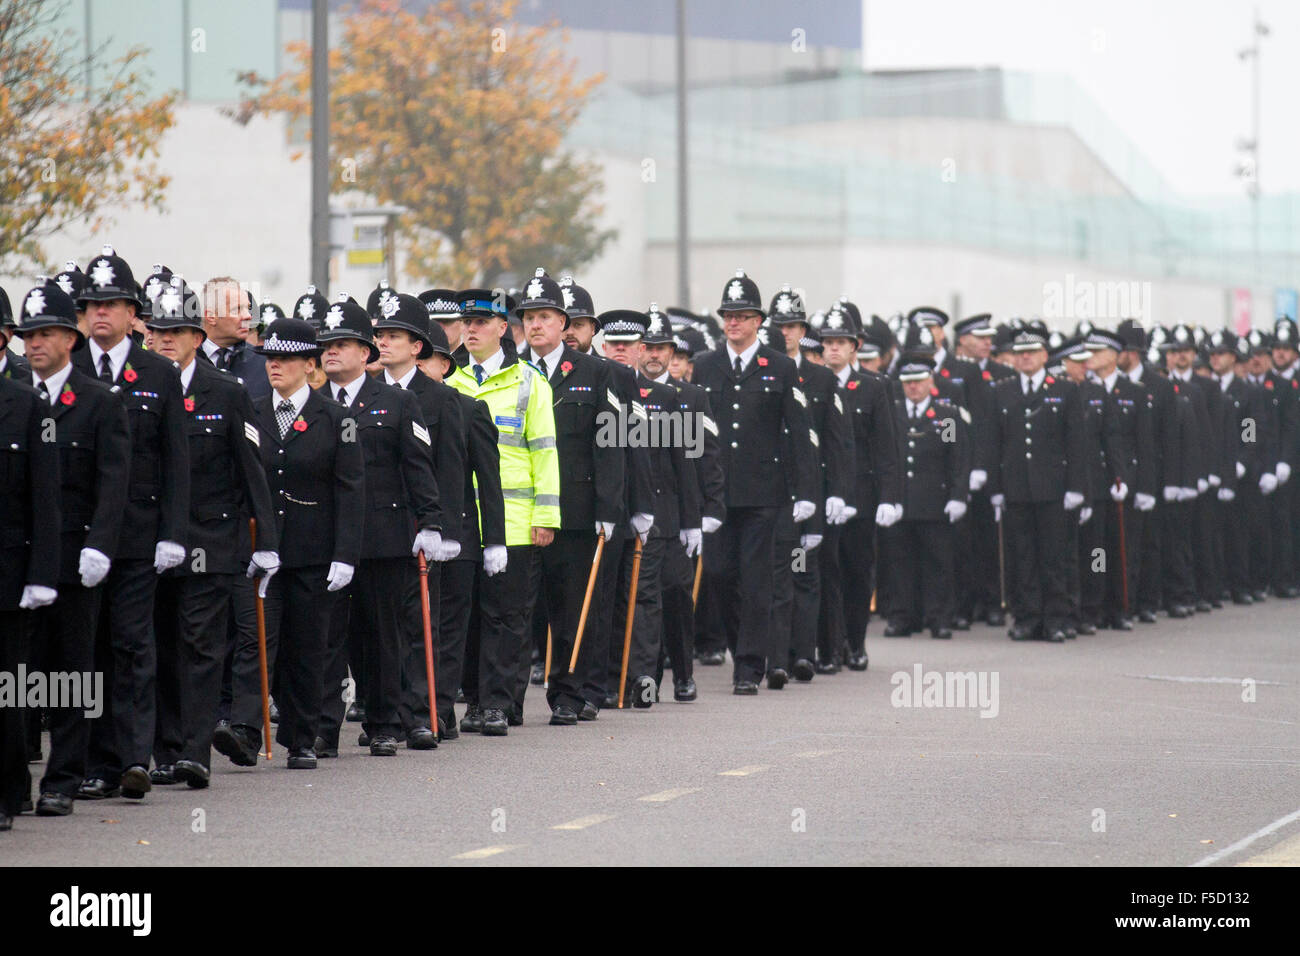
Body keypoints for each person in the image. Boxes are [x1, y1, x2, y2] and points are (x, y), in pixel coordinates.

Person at [146, 277, 280, 788]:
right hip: (151, 539)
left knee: (200, 644)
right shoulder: (137, 388)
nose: (164, 339)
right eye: (157, 330)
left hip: (211, 538)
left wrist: (265, 542)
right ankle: (162, 748)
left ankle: (193, 751)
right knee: (156, 644)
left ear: (197, 337)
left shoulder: (227, 391)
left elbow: (253, 471)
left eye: (176, 330)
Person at [216, 316, 364, 770]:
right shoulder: (251, 411)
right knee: (255, 639)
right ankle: (244, 728)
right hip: (260, 550)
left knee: (307, 646)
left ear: (308, 364)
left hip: (313, 552)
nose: (274, 366)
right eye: (269, 358)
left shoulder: (337, 418)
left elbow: (351, 489)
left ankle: (301, 737)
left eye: (284, 358)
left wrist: (345, 555)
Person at [72, 246, 190, 803]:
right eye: (92, 303)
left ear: (131, 313)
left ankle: (134, 756)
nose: (101, 313)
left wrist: (173, 532)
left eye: (111, 303)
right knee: (86, 649)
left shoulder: (159, 373)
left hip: (140, 535)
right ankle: (94, 762)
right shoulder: (66, 371)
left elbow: (175, 461)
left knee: (133, 644)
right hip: (80, 536)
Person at [315, 294, 448, 757]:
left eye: (343, 343)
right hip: (327, 540)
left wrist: (430, 521)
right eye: (325, 344)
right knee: (330, 639)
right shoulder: (312, 405)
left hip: (383, 537)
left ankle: (386, 722)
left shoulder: (396, 402)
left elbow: (418, 466)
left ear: (366, 352)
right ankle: (323, 729)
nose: (331, 351)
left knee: (383, 636)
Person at [16, 281, 130, 816]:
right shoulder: (14, 397)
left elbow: (113, 481)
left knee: (72, 670)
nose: (34, 344)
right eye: (27, 336)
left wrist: (101, 545)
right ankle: (16, 773)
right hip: (18, 558)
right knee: (20, 676)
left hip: (74, 557)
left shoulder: (98, 401)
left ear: (69, 337)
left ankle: (63, 777)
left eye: (45, 334)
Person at [691, 270, 816, 694]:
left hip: (765, 493)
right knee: (721, 575)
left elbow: (800, 432)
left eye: (743, 316)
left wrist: (807, 493)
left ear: (758, 321)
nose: (734, 323)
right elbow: (693, 432)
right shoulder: (705, 366)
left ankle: (748, 666)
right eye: (728, 315)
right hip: (717, 493)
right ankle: (736, 644)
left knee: (757, 578)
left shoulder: (779, 367)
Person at [446, 288, 560, 735]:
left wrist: (545, 516)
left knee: (507, 616)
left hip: (514, 520)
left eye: (479, 323)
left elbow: (545, 451)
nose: (470, 330)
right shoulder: (450, 382)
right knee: (468, 615)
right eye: (465, 323)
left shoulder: (530, 381)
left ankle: (499, 702)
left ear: (502, 329)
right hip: (462, 519)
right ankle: (474, 699)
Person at [516, 270, 625, 724]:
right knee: (522, 607)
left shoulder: (596, 373)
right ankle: (507, 698)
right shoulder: (513, 371)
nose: (536, 325)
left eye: (545, 316)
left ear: (564, 323)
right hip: (524, 508)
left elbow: (611, 443)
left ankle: (569, 690)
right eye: (529, 317)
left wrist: (608, 508)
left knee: (572, 605)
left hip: (577, 510)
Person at [600, 304, 699, 706]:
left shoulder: (670, 397)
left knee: (652, 598)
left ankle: (644, 679)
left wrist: (693, 520)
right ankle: (617, 679)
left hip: (659, 514)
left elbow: (685, 464)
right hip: (616, 510)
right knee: (623, 599)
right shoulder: (610, 389)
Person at [988, 321, 1087, 642]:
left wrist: (1076, 487)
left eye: (1031, 352)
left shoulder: (1065, 390)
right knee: (1022, 557)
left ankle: (1056, 619)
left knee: (1054, 558)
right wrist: (995, 489)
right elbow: (994, 444)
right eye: (1020, 353)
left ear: (1045, 355)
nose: (1025, 358)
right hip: (1016, 488)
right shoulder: (1002, 390)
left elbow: (1076, 443)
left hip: (1053, 489)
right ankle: (1027, 618)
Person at [816, 300, 899, 672]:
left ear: (856, 345)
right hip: (824, 496)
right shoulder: (813, 384)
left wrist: (890, 497)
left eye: (841, 341)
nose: (833, 347)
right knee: (825, 572)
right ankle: (831, 647)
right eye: (828, 341)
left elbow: (886, 448)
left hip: (862, 497)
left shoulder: (872, 387)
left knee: (857, 571)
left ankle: (856, 641)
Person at [0, 340, 62, 829]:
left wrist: (41, 574)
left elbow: (45, 499)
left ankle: (10, 786)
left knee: (10, 688)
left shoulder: (26, 405)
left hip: (9, 572)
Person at [881, 352, 970, 638]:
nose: (913, 387)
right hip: (899, 501)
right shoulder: (892, 414)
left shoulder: (946, 416)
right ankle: (902, 616)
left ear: (930, 382)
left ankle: (940, 617)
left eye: (919, 381)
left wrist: (958, 495)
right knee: (898, 564)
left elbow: (957, 459)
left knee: (939, 564)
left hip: (935, 502)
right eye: (908, 382)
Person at [202, 276, 269, 400]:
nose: (248, 316)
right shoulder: (187, 361)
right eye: (236, 309)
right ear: (211, 316)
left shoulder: (264, 365)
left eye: (247, 308)